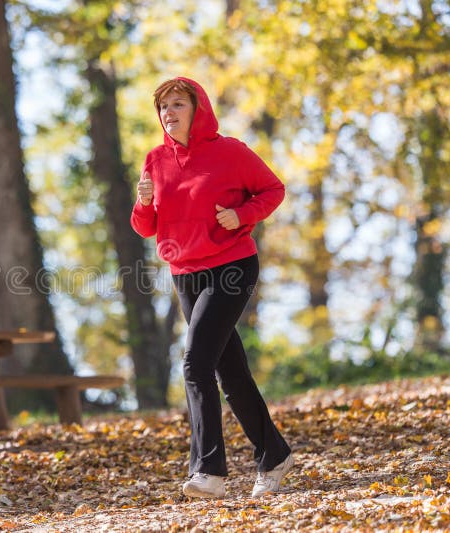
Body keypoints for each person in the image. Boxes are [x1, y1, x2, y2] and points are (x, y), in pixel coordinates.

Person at [130, 77, 294, 499]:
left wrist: (242, 215)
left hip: (231, 266)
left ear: (197, 109)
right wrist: (143, 202)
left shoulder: (230, 152)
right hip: (186, 273)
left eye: (178, 104)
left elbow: (273, 190)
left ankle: (209, 471)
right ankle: (274, 454)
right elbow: (145, 227)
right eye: (163, 107)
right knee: (230, 372)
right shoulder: (155, 160)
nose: (169, 113)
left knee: (195, 364)